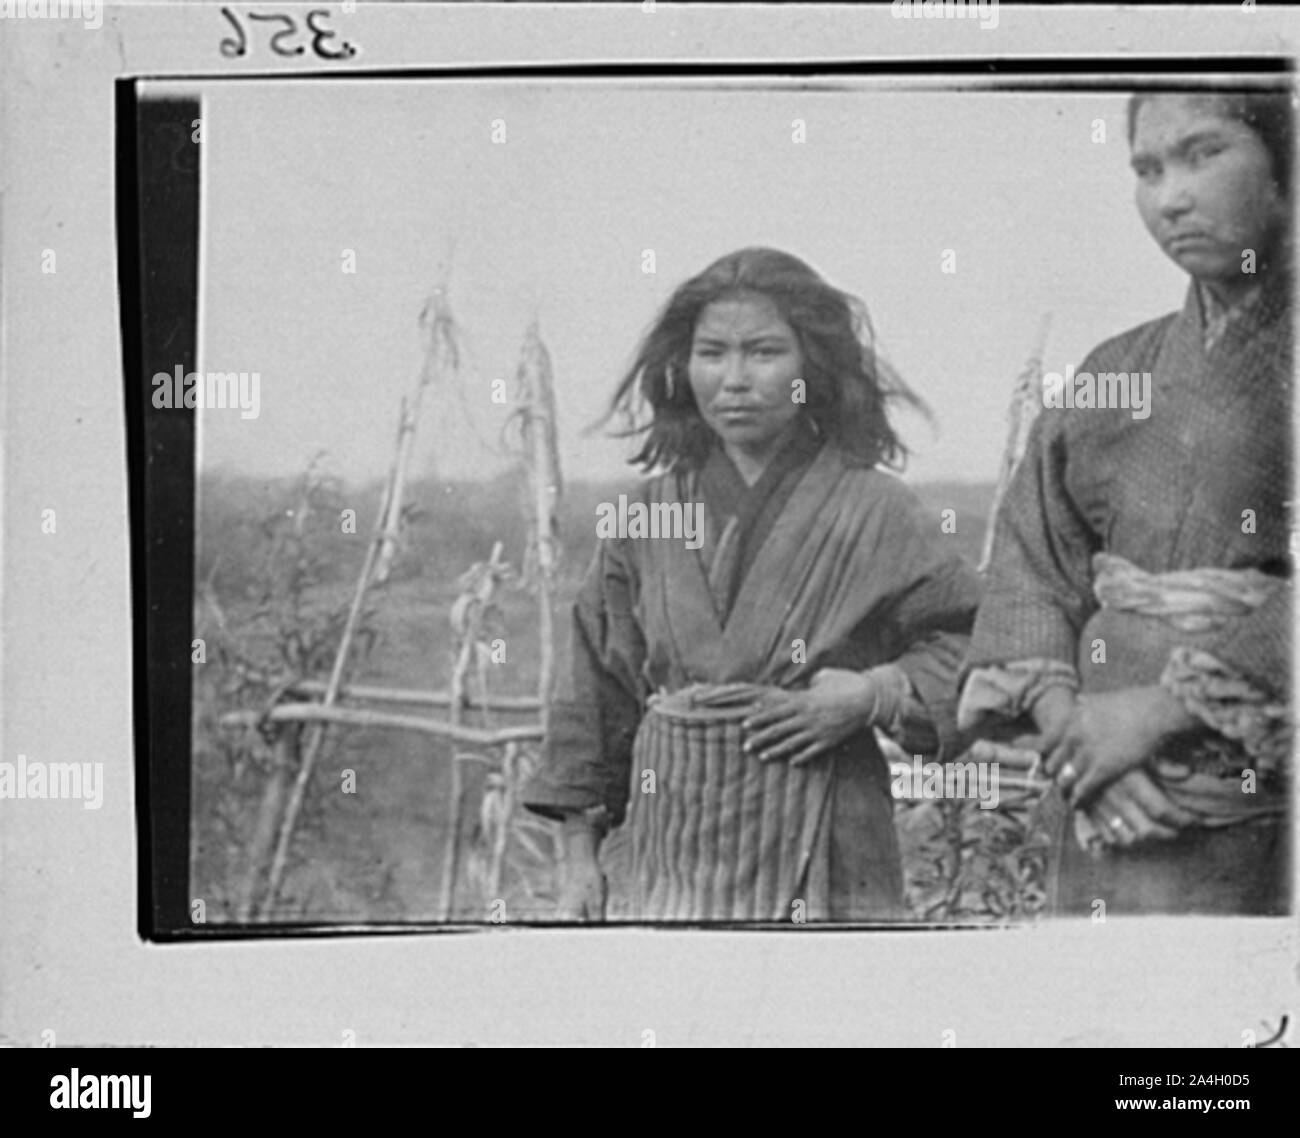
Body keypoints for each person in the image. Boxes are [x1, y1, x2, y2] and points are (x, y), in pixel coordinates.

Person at [522, 247, 980, 922]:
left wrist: (872, 694)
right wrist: (577, 860)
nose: (734, 379)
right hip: (668, 844)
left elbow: (975, 639)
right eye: (713, 353)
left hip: (826, 830)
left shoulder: (877, 509)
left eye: (764, 353)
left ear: (811, 368)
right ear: (684, 367)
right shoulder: (647, 515)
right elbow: (596, 693)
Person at [959, 89, 1294, 915]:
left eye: (1203, 154)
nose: (1170, 195)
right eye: (1147, 168)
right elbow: (1032, 567)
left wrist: (1160, 711)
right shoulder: (1117, 370)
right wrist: (1075, 732)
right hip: (1102, 798)